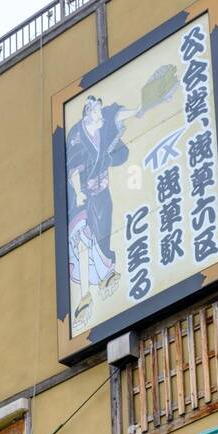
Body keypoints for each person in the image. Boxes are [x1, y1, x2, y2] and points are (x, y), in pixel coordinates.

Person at [65, 95, 131, 326]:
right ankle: (84, 297)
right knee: (83, 241)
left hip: (102, 194)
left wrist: (141, 109)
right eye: (97, 112)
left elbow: (117, 113)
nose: (101, 115)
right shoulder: (76, 137)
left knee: (102, 237)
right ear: (87, 114)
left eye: (101, 112)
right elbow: (73, 169)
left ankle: (105, 276)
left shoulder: (103, 131)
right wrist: (79, 192)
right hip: (82, 198)